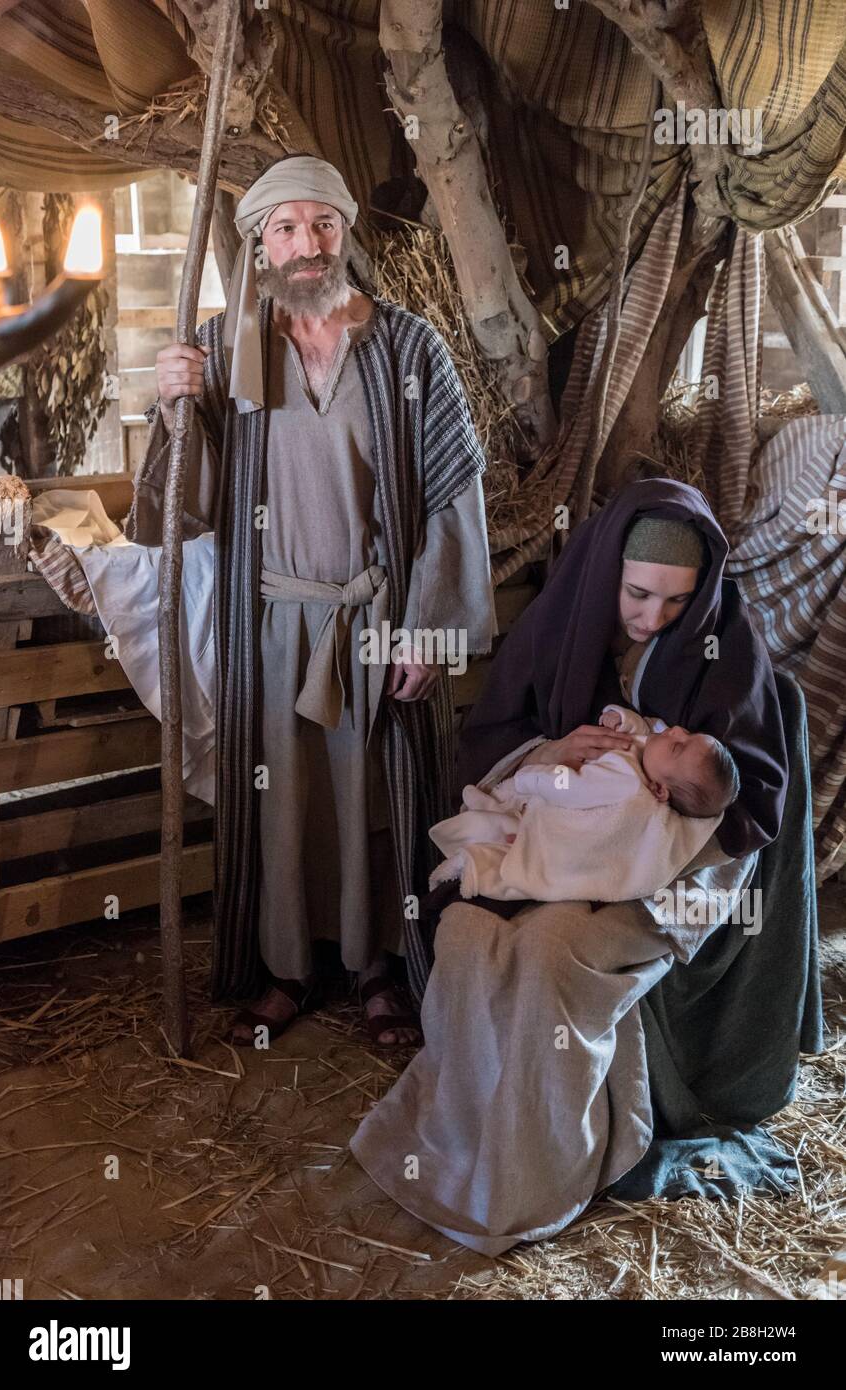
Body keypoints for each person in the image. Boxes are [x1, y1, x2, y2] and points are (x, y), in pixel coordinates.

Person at [350, 480, 798, 1254]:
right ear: (605, 572)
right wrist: (550, 753)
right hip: (550, 836)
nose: (652, 618)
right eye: (636, 594)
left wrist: (651, 844)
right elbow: (494, 737)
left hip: (679, 874)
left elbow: (749, 805)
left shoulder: (729, 649)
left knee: (555, 955)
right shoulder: (557, 625)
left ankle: (548, 1172)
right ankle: (470, 1153)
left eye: (675, 602)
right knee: (468, 940)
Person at [123, 155, 495, 1046]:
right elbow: (184, 506)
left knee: (378, 795)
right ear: (259, 244)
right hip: (270, 624)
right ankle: (288, 967)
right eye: (284, 229)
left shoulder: (408, 347)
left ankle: (378, 971)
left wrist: (432, 637)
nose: (306, 244)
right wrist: (174, 409)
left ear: (344, 234)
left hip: (381, 618)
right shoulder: (223, 349)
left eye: (322, 224)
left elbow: (453, 494)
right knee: (280, 796)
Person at [427, 703, 740, 904]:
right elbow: (641, 733)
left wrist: (529, 778)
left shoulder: (627, 782)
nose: (676, 731)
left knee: (501, 829)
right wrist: (622, 717)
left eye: (677, 746)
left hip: (554, 828)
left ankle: (470, 854)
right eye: (688, 734)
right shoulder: (654, 758)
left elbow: (570, 788)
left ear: (659, 791)